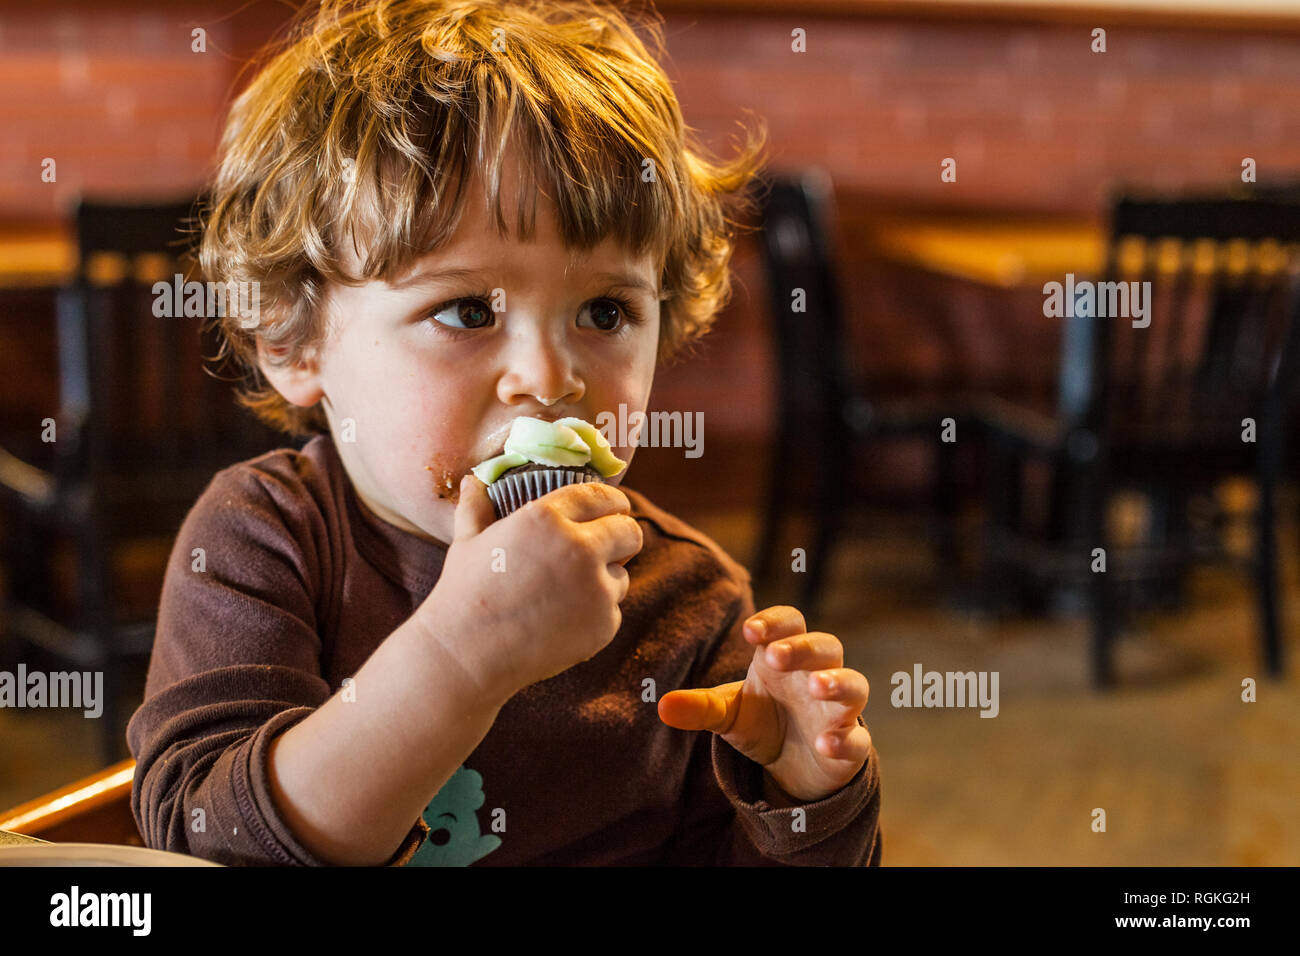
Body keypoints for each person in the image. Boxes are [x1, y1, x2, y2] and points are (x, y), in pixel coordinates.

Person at [127, 0, 882, 866]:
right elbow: (208, 839)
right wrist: (460, 657)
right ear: (291, 343)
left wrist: (801, 801)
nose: (550, 376)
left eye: (605, 309)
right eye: (467, 309)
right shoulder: (264, 542)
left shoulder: (695, 606)